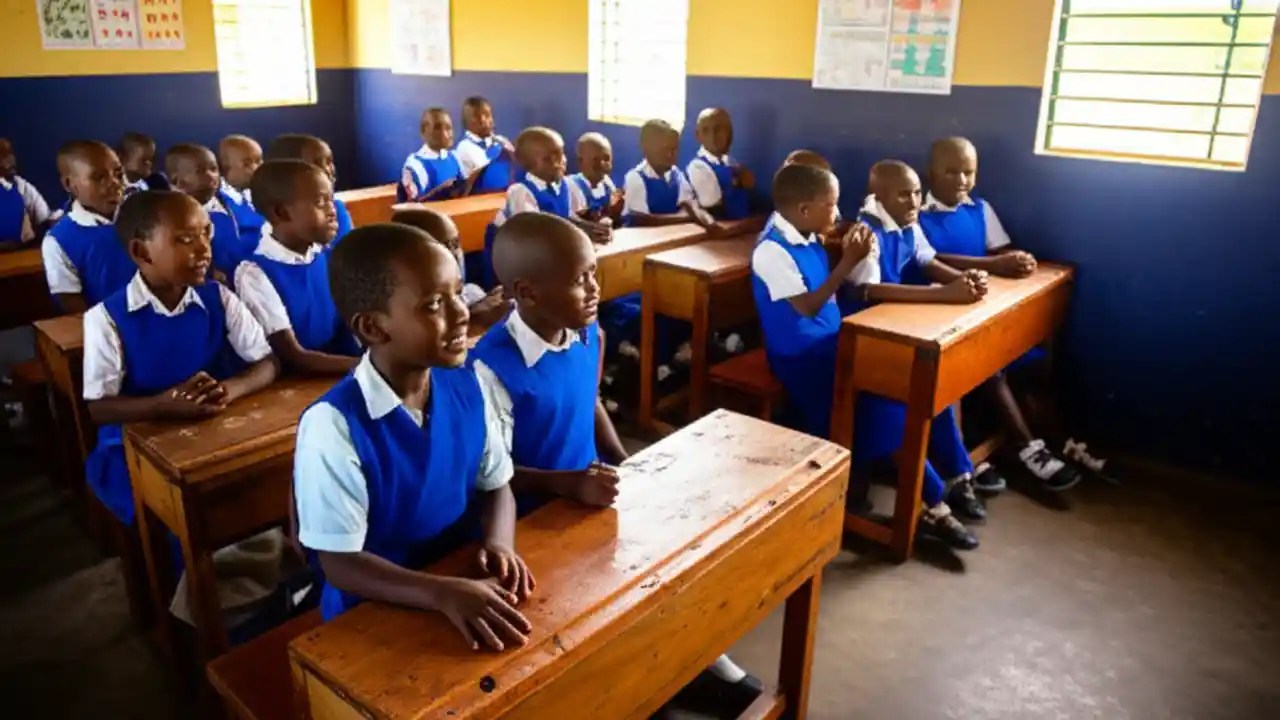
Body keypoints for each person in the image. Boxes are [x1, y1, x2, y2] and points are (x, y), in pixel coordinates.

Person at [471, 212, 762, 708]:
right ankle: (643, 689)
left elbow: (589, 402)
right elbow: (489, 478)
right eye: (578, 280)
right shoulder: (490, 366)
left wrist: (623, 457)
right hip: (528, 522)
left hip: (586, 493)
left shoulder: (585, 331)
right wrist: (567, 484)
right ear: (529, 292)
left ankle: (688, 660)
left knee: (669, 555)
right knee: (582, 622)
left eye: (593, 273)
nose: (593, 289)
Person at [294, 223, 535, 649]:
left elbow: (498, 486)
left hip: (459, 577)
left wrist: (499, 543)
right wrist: (439, 592)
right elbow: (339, 563)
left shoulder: (470, 385)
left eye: (458, 293)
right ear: (373, 327)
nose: (462, 312)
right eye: (434, 304)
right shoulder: (333, 425)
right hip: (376, 606)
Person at [82, 190, 279, 525]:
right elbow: (99, 408)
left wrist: (228, 390)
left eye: (207, 234)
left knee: (263, 488)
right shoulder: (107, 318)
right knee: (176, 520)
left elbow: (267, 363)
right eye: (185, 239)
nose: (204, 249)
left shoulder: (219, 297)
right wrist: (163, 405)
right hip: (137, 443)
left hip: (212, 422)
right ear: (141, 252)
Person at [919, 137, 1085, 491]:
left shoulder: (979, 208)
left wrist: (1017, 260)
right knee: (982, 367)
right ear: (932, 173)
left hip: (981, 306)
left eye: (969, 172)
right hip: (938, 310)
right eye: (952, 171)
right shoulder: (917, 214)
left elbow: (1002, 250)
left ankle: (1039, 441)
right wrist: (996, 264)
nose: (962, 180)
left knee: (1021, 357)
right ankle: (1016, 451)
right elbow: (929, 259)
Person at [843, 160, 991, 545]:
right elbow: (868, 291)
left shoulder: (908, 223)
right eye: (904, 194)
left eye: (915, 192)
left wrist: (963, 281)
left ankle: (959, 476)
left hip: (896, 328)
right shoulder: (867, 231)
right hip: (864, 339)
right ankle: (935, 502)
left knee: (935, 391)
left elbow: (927, 260)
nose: (914, 200)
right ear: (879, 197)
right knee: (897, 409)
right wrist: (943, 295)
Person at [234, 160, 360, 375]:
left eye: (331, 199)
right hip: (295, 380)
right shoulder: (255, 273)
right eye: (320, 202)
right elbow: (292, 357)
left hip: (337, 368)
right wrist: (368, 367)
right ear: (282, 213)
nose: (332, 211)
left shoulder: (325, 256)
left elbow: (345, 326)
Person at [482, 127, 610, 287]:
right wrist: (580, 229)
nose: (560, 161)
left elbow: (569, 218)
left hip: (545, 252)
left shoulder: (565, 185)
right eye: (549, 158)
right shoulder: (521, 191)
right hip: (512, 258)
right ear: (529, 165)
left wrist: (591, 228)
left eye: (561, 154)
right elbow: (535, 230)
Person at [42, 140, 134, 312]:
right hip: (107, 328)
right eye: (99, 177)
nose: (115, 183)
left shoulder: (142, 215)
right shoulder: (59, 240)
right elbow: (69, 300)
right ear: (70, 185)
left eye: (119, 174)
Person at [391, 206, 511, 333]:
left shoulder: (471, 293)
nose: (453, 255)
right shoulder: (401, 311)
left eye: (455, 244)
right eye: (442, 248)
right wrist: (472, 323)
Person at [165, 143, 248, 278]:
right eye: (200, 171)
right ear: (176, 180)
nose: (211, 176)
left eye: (214, 169)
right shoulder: (169, 215)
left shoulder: (227, 203)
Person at [622, 120, 717, 231]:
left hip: (668, 237)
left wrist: (704, 219)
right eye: (665, 149)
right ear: (647, 149)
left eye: (674, 149)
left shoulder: (677, 175)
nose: (671, 155)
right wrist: (686, 218)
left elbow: (690, 205)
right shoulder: (635, 178)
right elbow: (643, 220)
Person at [266, 134, 353, 241]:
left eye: (329, 162)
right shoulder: (267, 216)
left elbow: (347, 248)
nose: (327, 169)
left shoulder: (336, 208)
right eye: (317, 162)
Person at [686, 107, 753, 220]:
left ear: (729, 133)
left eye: (718, 129)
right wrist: (738, 182)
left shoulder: (730, 161)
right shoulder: (697, 167)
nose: (713, 136)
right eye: (706, 130)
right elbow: (714, 205)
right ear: (698, 135)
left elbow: (749, 186)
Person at [401, 107, 470, 202]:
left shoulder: (454, 157)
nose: (445, 134)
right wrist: (440, 192)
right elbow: (412, 205)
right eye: (437, 129)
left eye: (448, 128)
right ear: (423, 131)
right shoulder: (415, 164)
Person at [0, 138, 56, 246]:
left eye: (10, 154)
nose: (10, 160)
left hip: (20, 252)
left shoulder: (21, 185)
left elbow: (45, 218)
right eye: (3, 156)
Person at [455, 96, 515, 194]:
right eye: (476, 116)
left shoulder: (501, 141)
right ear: (466, 122)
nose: (483, 120)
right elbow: (487, 175)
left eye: (487, 115)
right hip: (480, 200)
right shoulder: (464, 147)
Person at [217, 134, 266, 245]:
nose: (256, 168)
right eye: (247, 164)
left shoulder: (262, 193)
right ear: (224, 168)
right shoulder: (219, 204)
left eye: (259, 161)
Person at [566, 132, 622, 225]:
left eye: (606, 159)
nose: (602, 164)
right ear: (581, 161)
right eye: (595, 160)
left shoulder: (607, 183)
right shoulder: (572, 186)